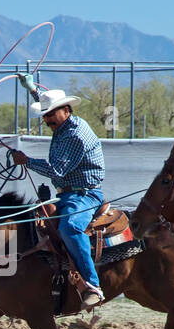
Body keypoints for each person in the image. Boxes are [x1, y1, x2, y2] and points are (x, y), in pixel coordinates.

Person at [11, 89, 107, 308]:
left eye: (51, 114)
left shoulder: (75, 135)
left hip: (85, 194)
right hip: (67, 194)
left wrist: (26, 161)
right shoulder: (64, 125)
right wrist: (32, 89)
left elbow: (58, 170)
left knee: (70, 227)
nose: (47, 119)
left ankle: (93, 286)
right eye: (45, 115)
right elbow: (47, 103)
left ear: (66, 110)